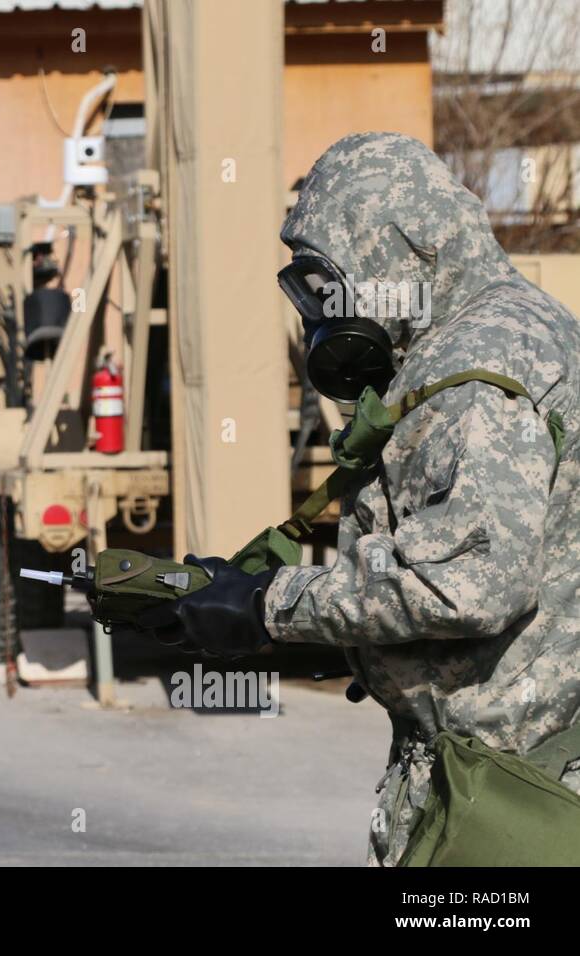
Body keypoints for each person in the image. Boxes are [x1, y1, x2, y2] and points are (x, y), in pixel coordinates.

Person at [148, 132, 580, 865]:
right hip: (522, 773)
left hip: (504, 795)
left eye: (330, 287)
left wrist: (268, 604)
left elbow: (467, 585)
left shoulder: (474, 377)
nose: (321, 318)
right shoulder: (518, 325)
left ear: (395, 259)